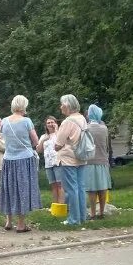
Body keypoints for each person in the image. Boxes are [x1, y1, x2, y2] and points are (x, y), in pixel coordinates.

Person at [0, 95, 42, 232]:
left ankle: (8, 221)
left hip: (8, 160)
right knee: (22, 190)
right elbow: (35, 142)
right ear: (24, 106)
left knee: (9, 189)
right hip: (24, 160)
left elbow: (4, 138)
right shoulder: (26, 121)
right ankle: (21, 224)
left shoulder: (4, 121)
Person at [55, 94, 88, 225]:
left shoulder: (68, 121)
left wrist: (56, 146)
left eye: (62, 104)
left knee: (71, 189)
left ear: (67, 106)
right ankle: (82, 217)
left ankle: (74, 219)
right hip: (81, 156)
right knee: (80, 188)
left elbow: (58, 143)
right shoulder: (82, 118)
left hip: (69, 159)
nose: (60, 107)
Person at [83, 104, 112, 219]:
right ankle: (102, 212)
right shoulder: (104, 128)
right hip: (103, 160)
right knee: (102, 188)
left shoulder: (86, 128)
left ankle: (93, 213)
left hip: (89, 161)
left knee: (91, 189)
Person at [36, 116, 64, 204]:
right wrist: (42, 141)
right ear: (46, 125)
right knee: (53, 185)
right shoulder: (44, 136)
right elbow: (39, 150)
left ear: (56, 123)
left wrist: (56, 131)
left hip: (58, 162)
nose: (50, 124)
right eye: (48, 123)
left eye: (52, 122)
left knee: (60, 184)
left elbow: (62, 144)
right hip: (48, 164)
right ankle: (55, 205)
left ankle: (61, 205)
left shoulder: (59, 133)